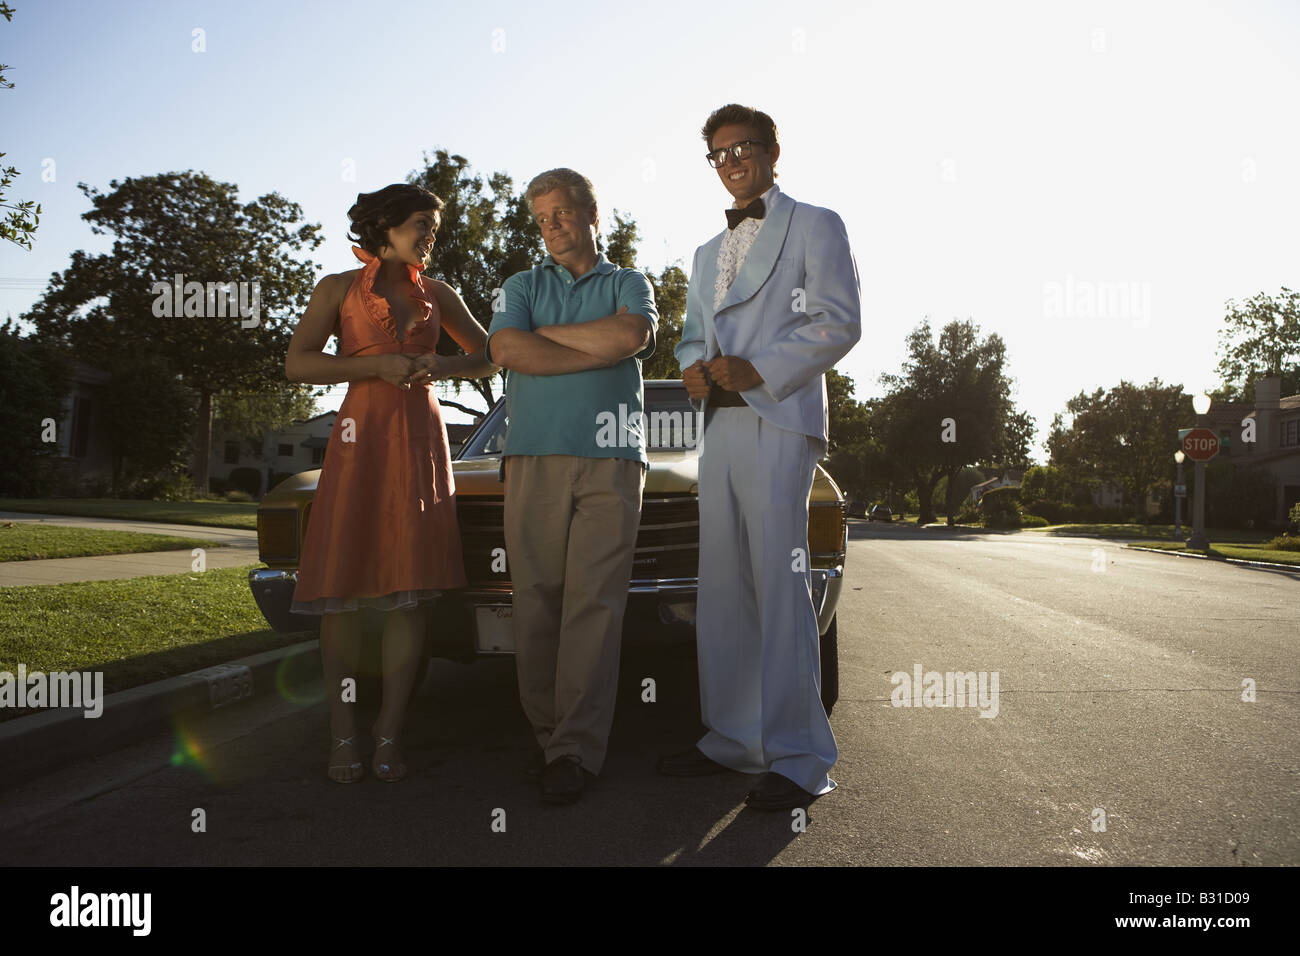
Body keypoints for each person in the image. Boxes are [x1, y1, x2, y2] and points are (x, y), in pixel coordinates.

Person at [660, 104, 862, 809]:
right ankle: (735, 739)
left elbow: (840, 321)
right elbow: (692, 335)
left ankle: (800, 757)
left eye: (744, 146)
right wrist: (692, 369)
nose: (733, 161)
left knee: (780, 584)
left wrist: (760, 367)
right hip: (719, 425)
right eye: (719, 153)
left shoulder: (816, 224)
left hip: (779, 415)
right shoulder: (704, 254)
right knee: (724, 588)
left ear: (774, 151)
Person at [286, 183, 498, 783]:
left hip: (420, 441)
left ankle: (389, 733)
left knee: (409, 595)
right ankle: (341, 732)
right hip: (359, 442)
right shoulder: (336, 288)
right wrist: (373, 365)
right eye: (421, 224)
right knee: (343, 594)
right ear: (386, 225)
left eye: (434, 227)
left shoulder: (439, 292)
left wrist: (447, 363)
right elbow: (298, 363)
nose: (431, 236)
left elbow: (489, 355)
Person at [486, 168, 658, 804]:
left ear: (590, 214)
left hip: (614, 459)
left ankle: (574, 752)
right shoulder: (521, 285)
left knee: (595, 604)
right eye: (541, 218)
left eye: (560, 212)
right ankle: (548, 737)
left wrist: (544, 336)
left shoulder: (629, 282)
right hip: (533, 456)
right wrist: (594, 348)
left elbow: (630, 335)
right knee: (536, 600)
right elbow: (506, 350)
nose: (551, 226)